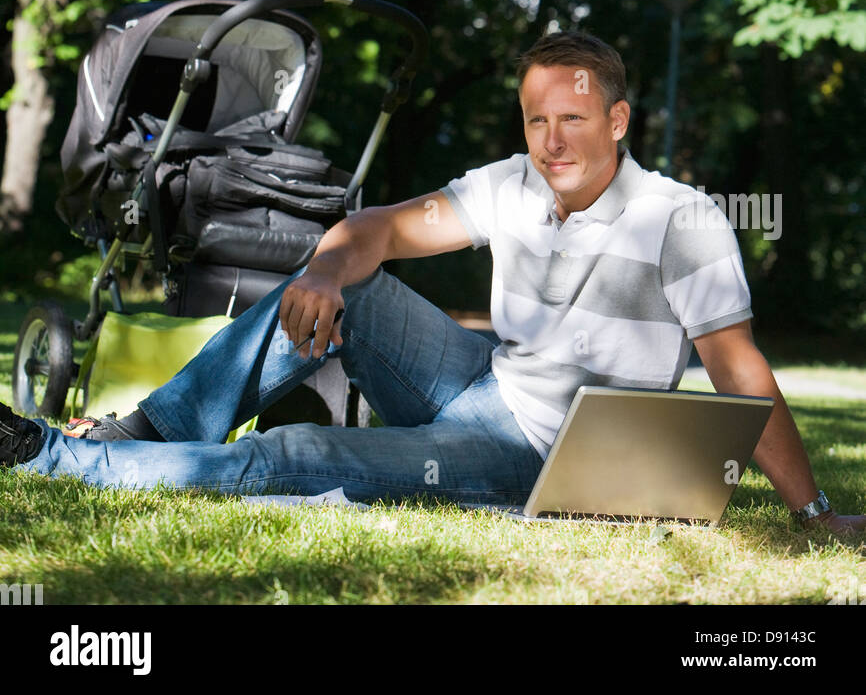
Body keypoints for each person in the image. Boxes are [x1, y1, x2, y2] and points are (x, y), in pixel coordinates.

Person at [1, 32, 863, 536]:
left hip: (541, 454)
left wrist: (814, 511)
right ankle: (153, 425)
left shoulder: (684, 220)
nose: (552, 141)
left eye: (572, 119)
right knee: (346, 286)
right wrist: (332, 273)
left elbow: (738, 371)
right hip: (482, 384)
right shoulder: (516, 184)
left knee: (295, 458)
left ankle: (51, 456)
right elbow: (374, 229)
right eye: (536, 121)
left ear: (618, 120)